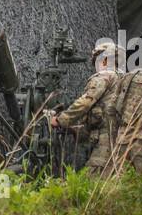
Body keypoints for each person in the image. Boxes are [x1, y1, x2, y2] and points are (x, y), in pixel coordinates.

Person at [50, 40, 125, 175]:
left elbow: (86, 102)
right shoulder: (123, 79)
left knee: (93, 177)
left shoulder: (105, 76)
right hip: (119, 135)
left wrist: (61, 119)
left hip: (105, 138)